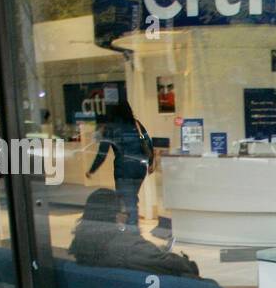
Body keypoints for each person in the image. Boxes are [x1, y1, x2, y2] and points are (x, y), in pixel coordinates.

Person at [70, 189, 200, 277]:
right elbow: (172, 264)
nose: (127, 217)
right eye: (125, 213)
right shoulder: (128, 245)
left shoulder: (81, 243)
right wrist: (188, 263)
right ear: (116, 217)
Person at [87, 99, 154, 229]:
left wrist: (92, 170)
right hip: (140, 168)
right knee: (132, 198)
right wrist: (150, 163)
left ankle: (132, 230)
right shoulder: (136, 124)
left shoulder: (110, 128)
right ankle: (131, 228)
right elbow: (148, 143)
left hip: (123, 169)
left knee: (129, 202)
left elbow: (102, 153)